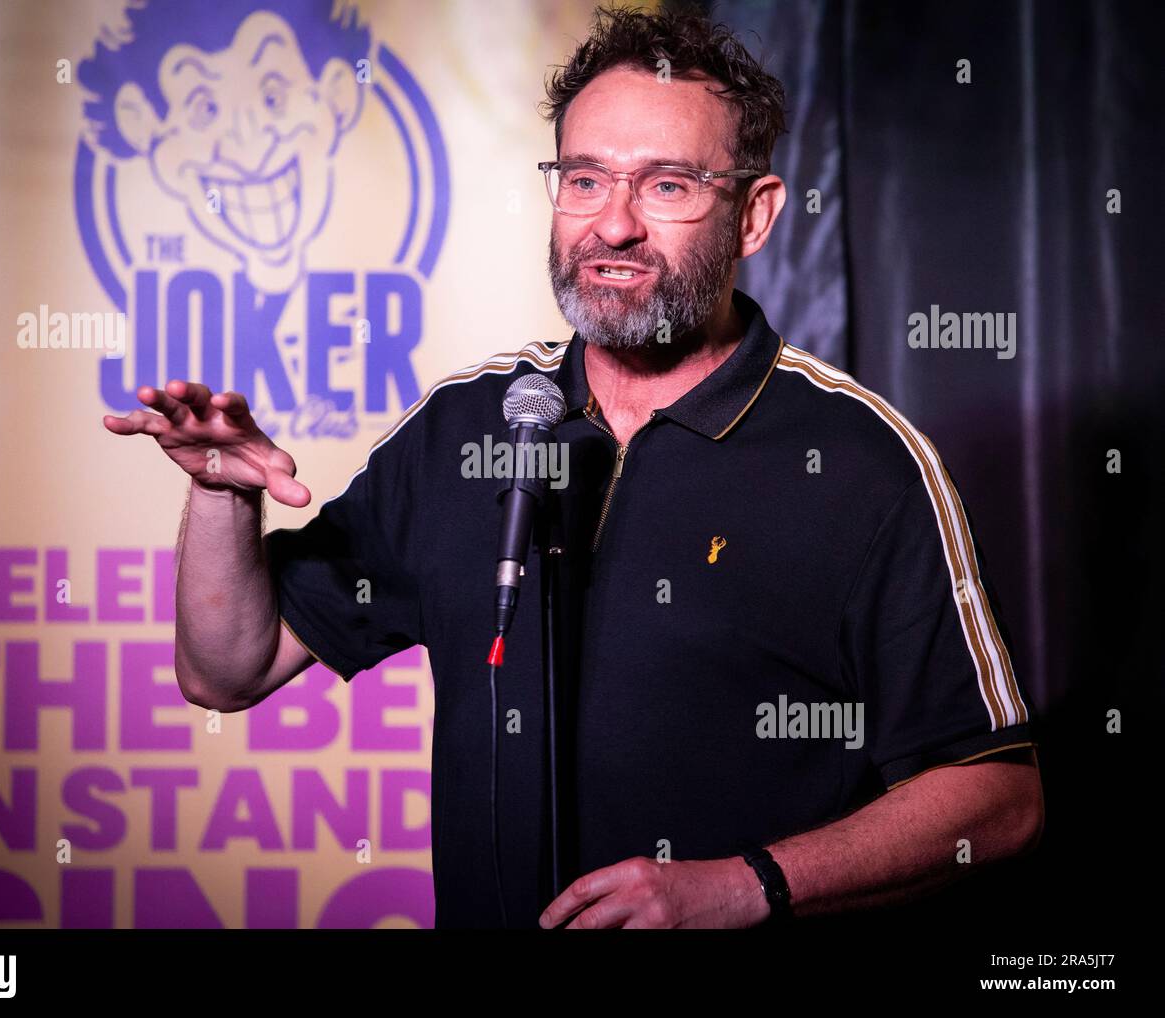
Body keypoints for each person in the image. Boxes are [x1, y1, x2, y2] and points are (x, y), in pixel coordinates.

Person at [104, 6, 1043, 929]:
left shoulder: (862, 462)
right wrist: (222, 495)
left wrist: (740, 886)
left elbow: (997, 797)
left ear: (754, 215)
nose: (614, 226)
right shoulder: (468, 427)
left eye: (668, 185)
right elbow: (227, 671)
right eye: (585, 180)